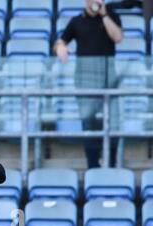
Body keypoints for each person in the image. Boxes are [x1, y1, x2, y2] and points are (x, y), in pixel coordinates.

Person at [55, 0, 123, 170]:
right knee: (89, 123)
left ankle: (111, 165)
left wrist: (104, 15)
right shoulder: (77, 21)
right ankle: (92, 166)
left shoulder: (111, 16)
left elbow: (118, 37)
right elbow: (60, 42)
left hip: (109, 80)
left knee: (112, 123)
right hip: (85, 81)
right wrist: (61, 48)